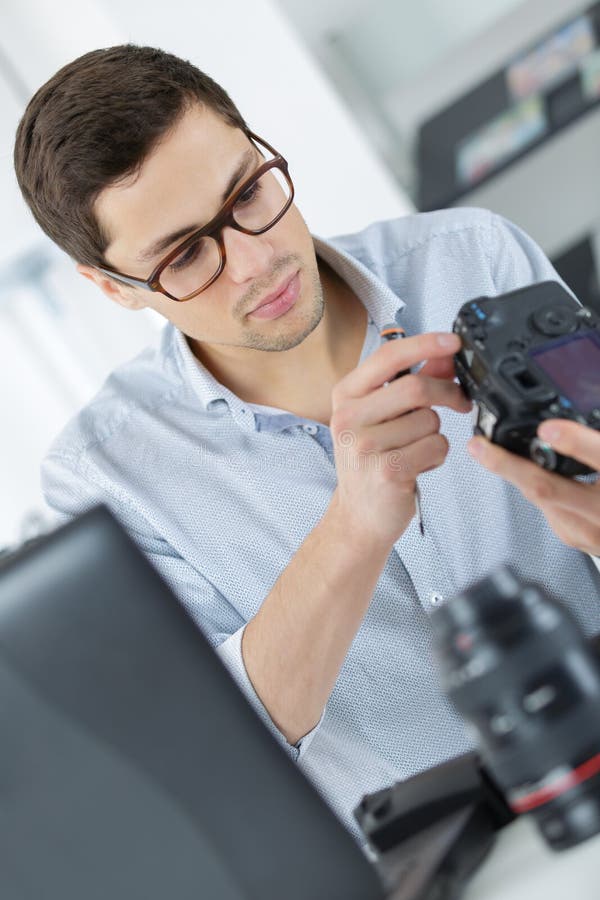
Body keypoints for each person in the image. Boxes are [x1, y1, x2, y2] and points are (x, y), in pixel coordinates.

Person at [14, 44, 600, 838]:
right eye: (187, 254)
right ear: (113, 288)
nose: (258, 260)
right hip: (444, 872)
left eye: (249, 191)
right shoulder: (107, 479)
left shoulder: (471, 257)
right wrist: (353, 527)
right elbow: (217, 759)